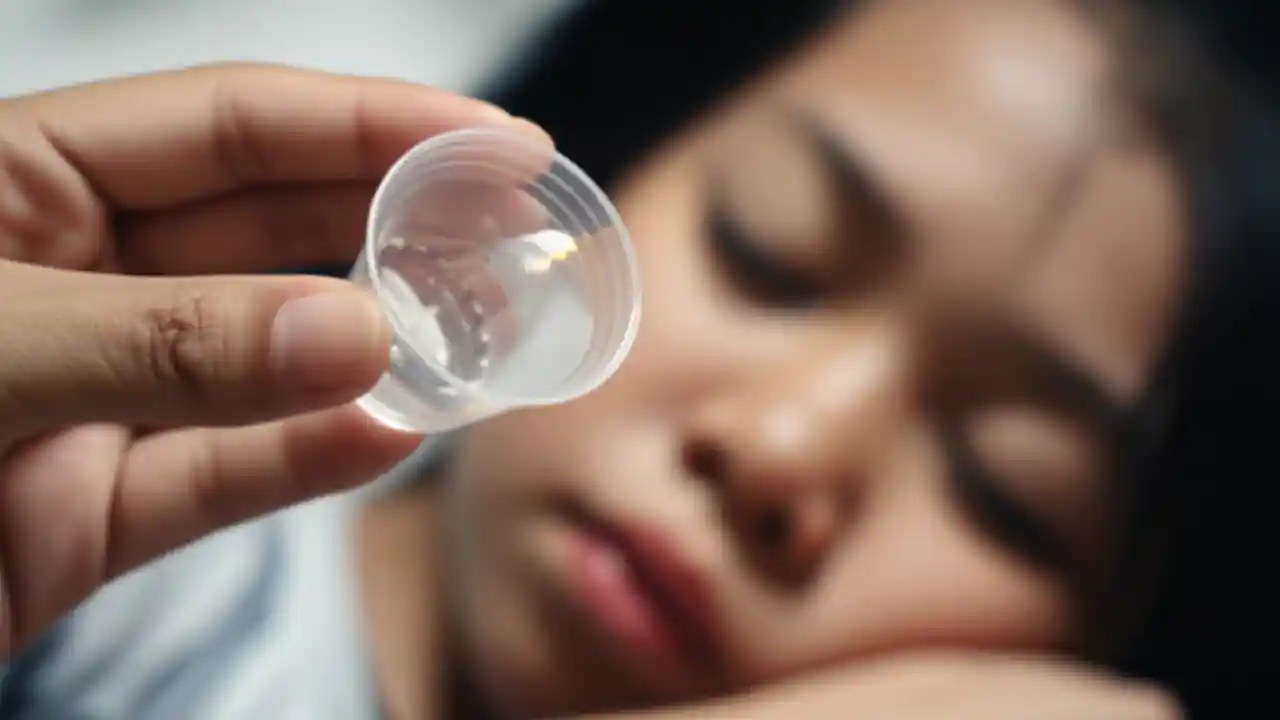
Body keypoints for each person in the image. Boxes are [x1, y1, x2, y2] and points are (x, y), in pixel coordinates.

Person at [1, 1, 1274, 719]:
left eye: (1002, 488)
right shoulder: (96, 555)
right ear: (616, 154)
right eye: (761, 251)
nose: (777, 445)